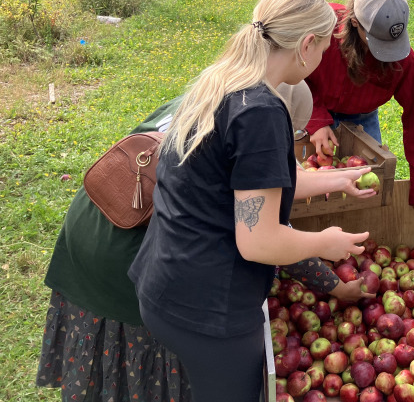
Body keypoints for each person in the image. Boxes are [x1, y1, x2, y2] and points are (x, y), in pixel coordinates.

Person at [36, 78, 375, 402]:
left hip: (92, 217)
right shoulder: (252, 134)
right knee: (139, 369)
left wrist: (335, 179)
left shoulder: (209, 98)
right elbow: (269, 241)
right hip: (127, 256)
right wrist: (336, 285)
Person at [127, 0, 369, 402]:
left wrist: (335, 179)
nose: (325, 55)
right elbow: (258, 240)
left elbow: (244, 185)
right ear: (306, 44)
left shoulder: (221, 81)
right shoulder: (260, 112)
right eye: (325, 45)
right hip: (207, 305)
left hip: (167, 280)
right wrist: (324, 242)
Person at [304, 0, 414, 221]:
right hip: (309, 104)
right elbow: (294, 73)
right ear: (355, 23)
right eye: (378, 42)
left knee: (362, 191)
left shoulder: (404, 63)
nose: (387, 51)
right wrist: (315, 118)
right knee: (307, 186)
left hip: (361, 118)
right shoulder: (323, 29)